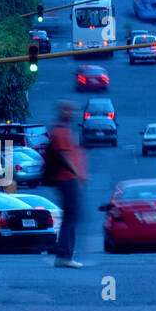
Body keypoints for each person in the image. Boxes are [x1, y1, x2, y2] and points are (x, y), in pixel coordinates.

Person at [45, 100, 89, 268]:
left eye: (73, 110)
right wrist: (78, 175)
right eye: (68, 110)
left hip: (68, 178)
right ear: (61, 111)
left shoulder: (65, 131)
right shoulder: (60, 131)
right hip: (66, 179)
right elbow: (64, 156)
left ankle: (64, 254)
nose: (71, 113)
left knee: (71, 216)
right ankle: (64, 255)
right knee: (71, 216)